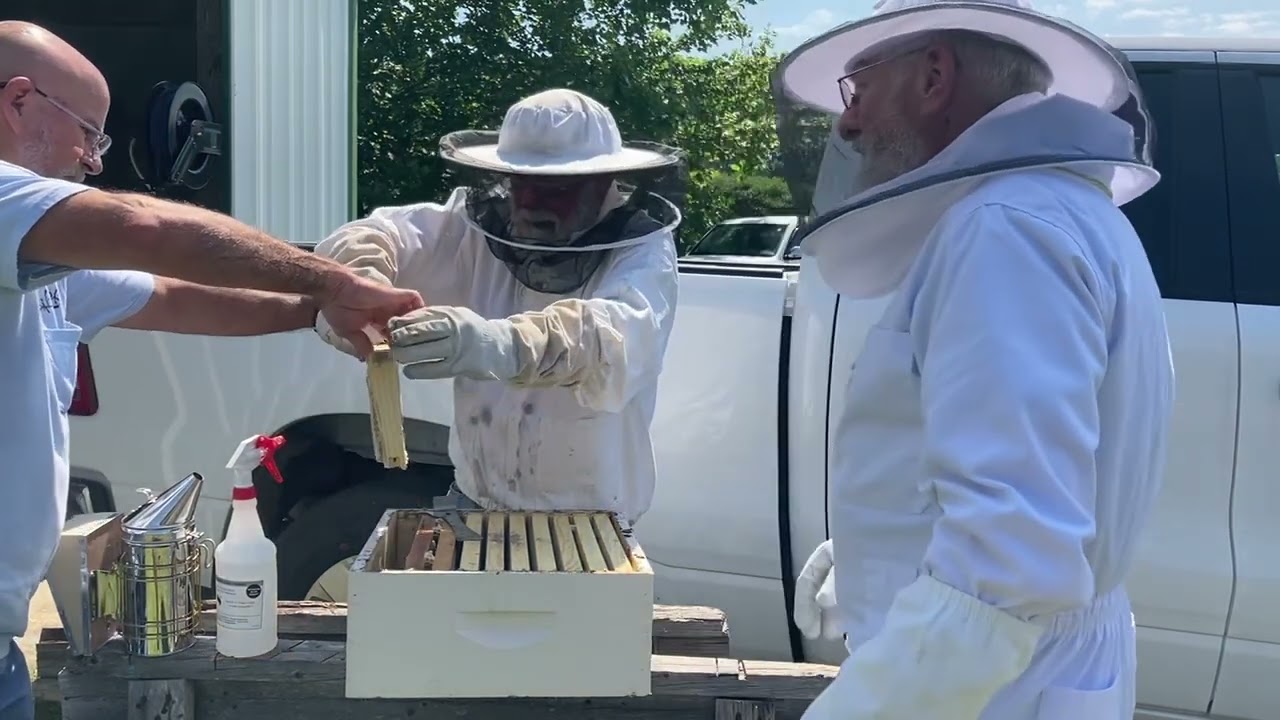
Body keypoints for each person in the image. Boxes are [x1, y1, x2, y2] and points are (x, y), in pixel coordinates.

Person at [0, 21, 423, 719]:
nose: (94, 161)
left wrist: (321, 312)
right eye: (88, 133)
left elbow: (172, 296)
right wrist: (331, 280)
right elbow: (143, 228)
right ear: (19, 102)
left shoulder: (34, 251)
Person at [778, 1, 1173, 718]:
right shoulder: (1054, 210)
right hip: (1020, 667)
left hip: (991, 684)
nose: (849, 123)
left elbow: (1008, 559)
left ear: (934, 76)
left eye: (859, 88)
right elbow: (1020, 484)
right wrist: (879, 545)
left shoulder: (1005, 227)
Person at [313, 88, 684, 529]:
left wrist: (498, 343)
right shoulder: (475, 228)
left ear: (604, 183)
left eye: (555, 188)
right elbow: (382, 231)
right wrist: (360, 278)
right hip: (473, 501)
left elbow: (611, 339)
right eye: (519, 183)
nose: (528, 203)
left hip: (588, 523)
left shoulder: (642, 252)